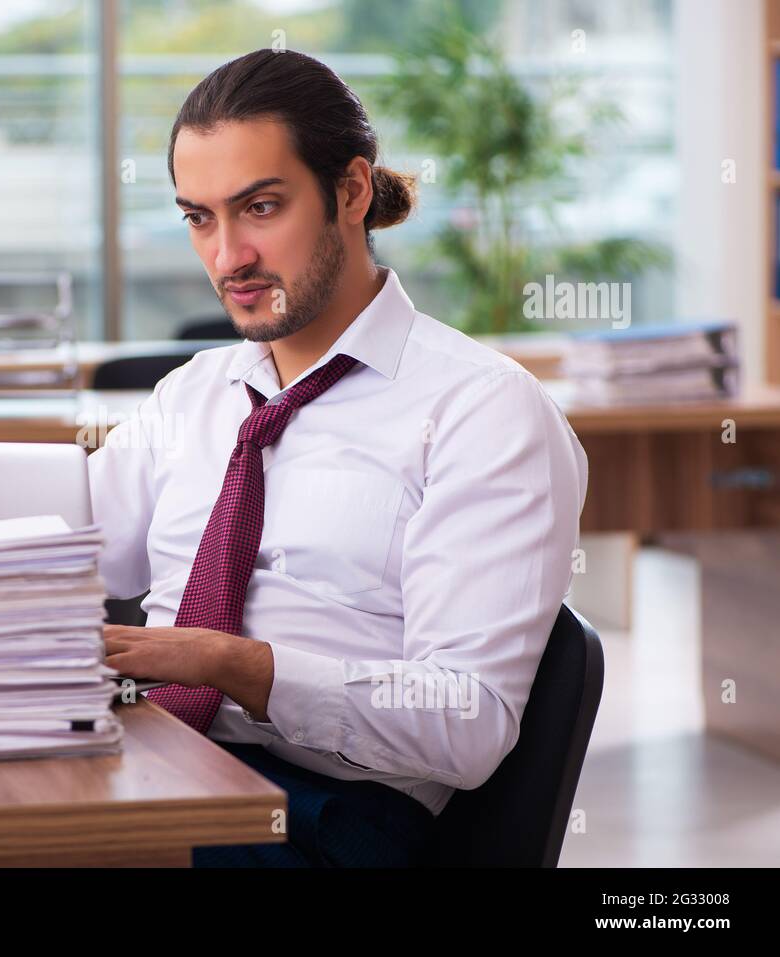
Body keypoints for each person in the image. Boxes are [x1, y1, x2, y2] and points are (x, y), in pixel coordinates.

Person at [87, 49, 589, 867]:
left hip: (327, 818)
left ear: (351, 191)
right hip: (161, 762)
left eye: (259, 207)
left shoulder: (484, 410)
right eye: (199, 217)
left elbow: (469, 722)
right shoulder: (199, 391)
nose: (227, 257)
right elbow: (70, 539)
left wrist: (232, 663)